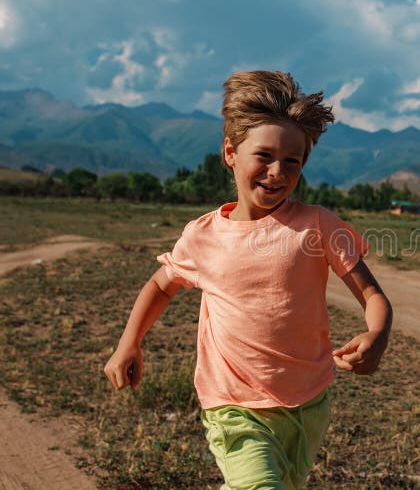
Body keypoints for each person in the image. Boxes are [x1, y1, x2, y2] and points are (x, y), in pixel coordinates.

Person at [103, 70, 393, 490]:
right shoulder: (202, 236)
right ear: (230, 153)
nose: (277, 171)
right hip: (233, 405)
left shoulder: (317, 226)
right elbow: (160, 285)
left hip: (309, 402)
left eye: (292, 161)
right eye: (264, 156)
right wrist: (129, 342)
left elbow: (372, 295)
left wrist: (378, 334)